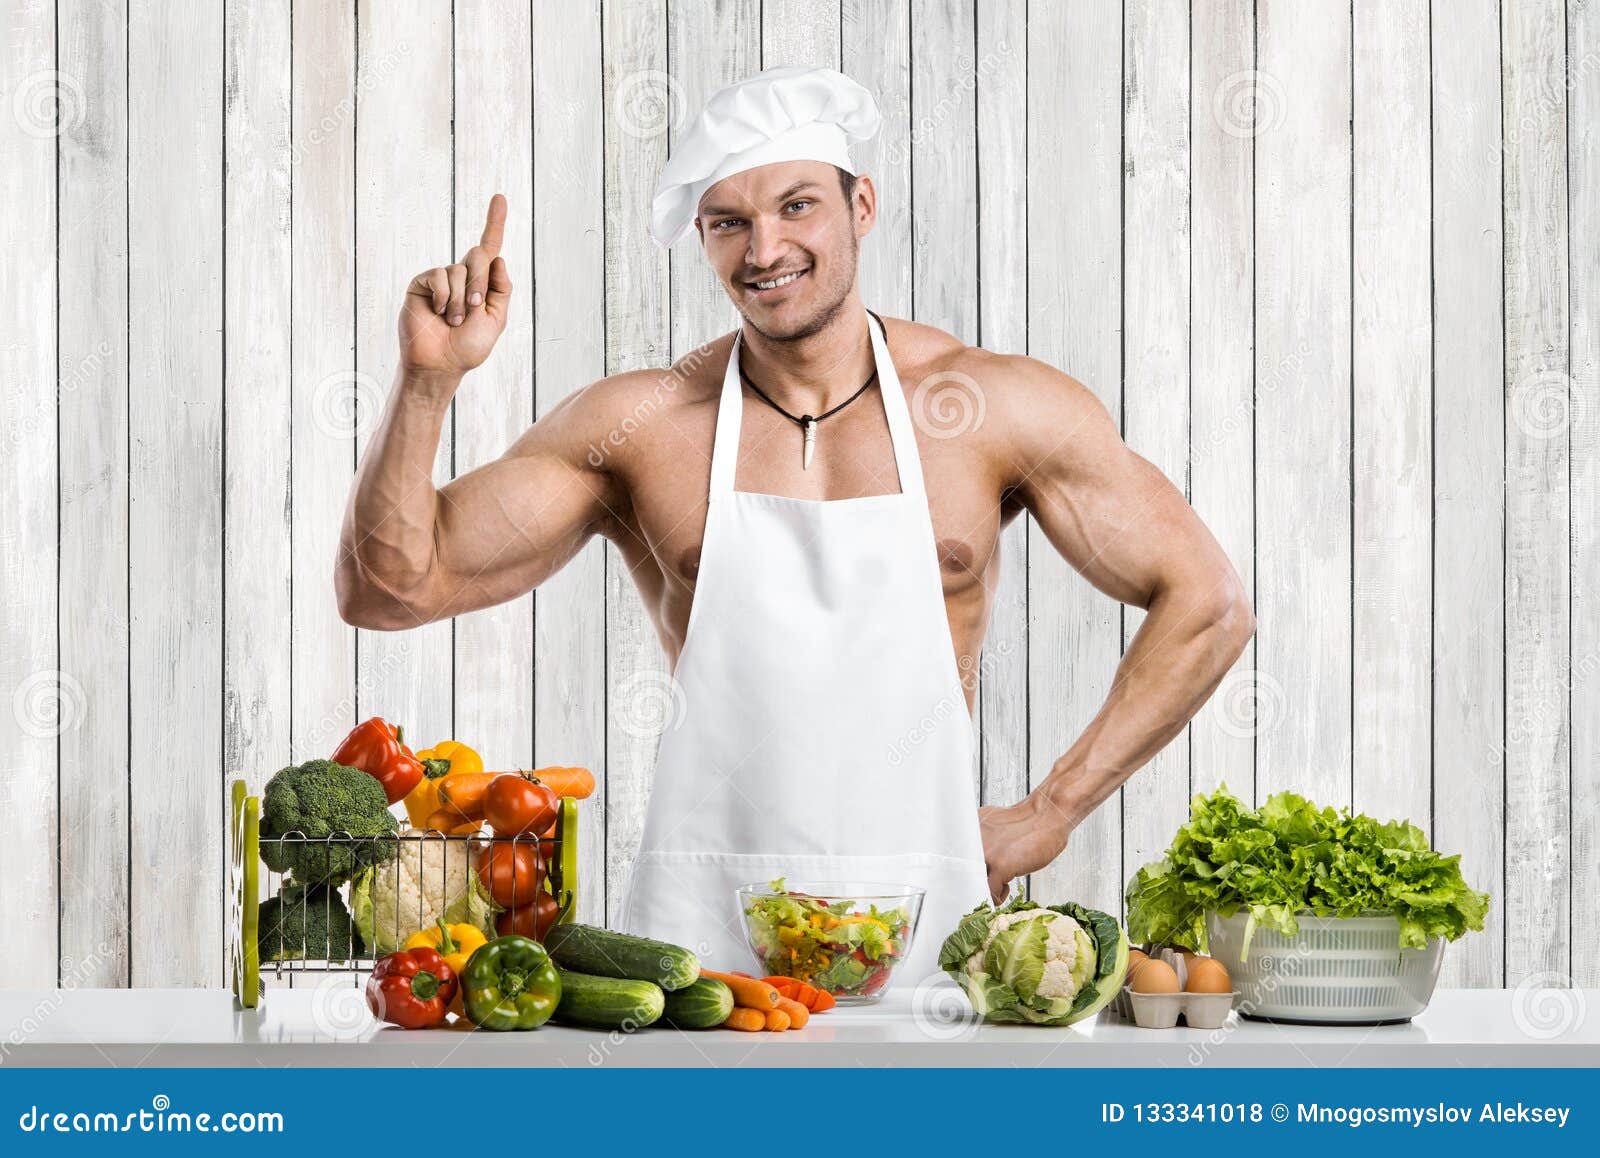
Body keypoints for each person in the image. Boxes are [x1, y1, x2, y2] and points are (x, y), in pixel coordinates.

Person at [336, 66, 1254, 981]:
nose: (764, 247)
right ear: (702, 240)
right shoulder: (641, 428)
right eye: (729, 221)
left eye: (797, 205)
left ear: (862, 205)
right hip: (698, 952)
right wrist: (428, 381)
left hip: (928, 929)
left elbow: (1208, 603)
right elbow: (389, 590)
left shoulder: (987, 407)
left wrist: (1054, 807)